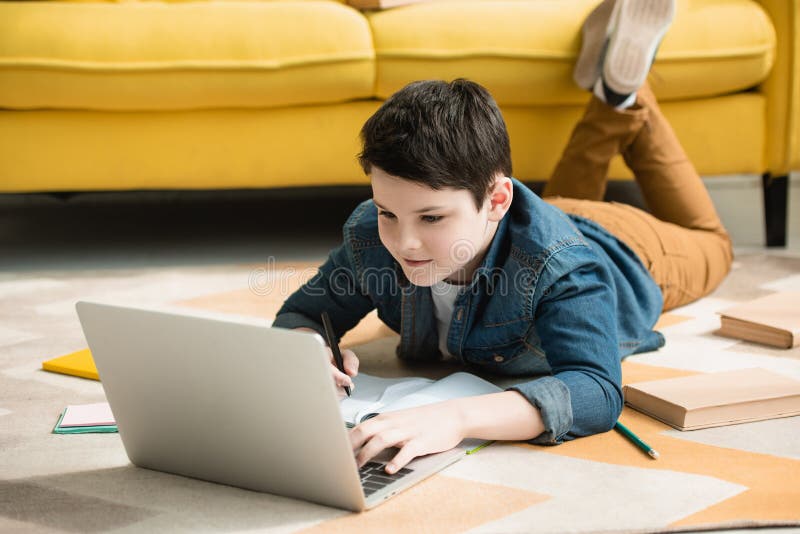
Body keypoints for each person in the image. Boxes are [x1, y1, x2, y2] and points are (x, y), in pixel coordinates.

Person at [273, 0, 732, 474]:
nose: (404, 242)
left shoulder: (564, 268)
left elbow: (596, 390)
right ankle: (611, 88)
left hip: (630, 247)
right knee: (559, 204)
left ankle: (627, 94)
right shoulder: (372, 235)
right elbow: (302, 312)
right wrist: (308, 350)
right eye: (388, 212)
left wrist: (457, 417)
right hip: (538, 216)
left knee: (714, 242)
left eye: (431, 219)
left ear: (494, 202)